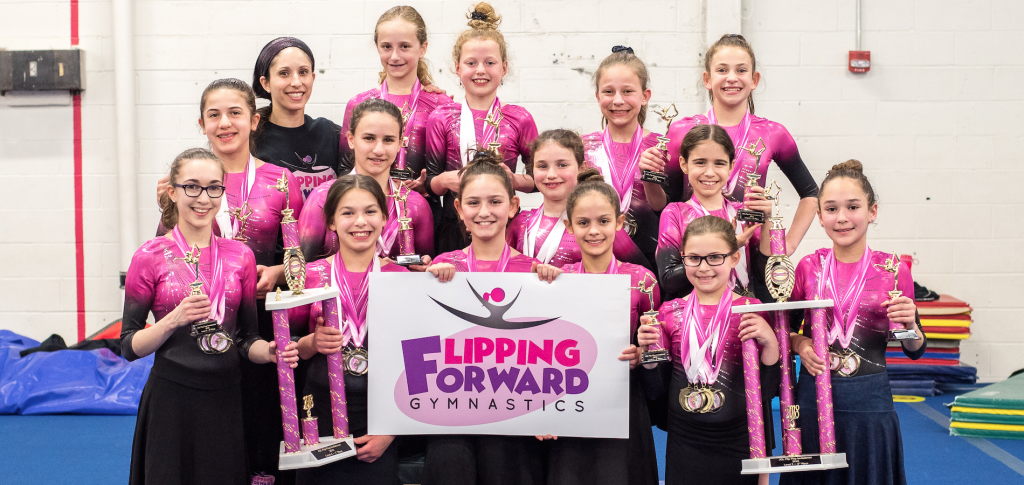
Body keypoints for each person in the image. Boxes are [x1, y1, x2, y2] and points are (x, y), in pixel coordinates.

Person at [122, 148, 298, 485]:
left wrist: (270, 352)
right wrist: (173, 320)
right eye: (192, 186)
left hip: (225, 398)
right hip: (172, 400)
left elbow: (246, 339)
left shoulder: (240, 257)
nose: (203, 198)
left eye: (213, 188)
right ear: (172, 192)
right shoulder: (149, 256)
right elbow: (129, 346)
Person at [184, 78, 307, 484]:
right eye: (214, 115)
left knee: (263, 415)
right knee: (216, 423)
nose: (225, 123)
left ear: (254, 120)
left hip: (265, 318)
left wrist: (278, 272)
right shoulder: (187, 184)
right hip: (208, 318)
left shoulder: (282, 180)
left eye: (235, 113)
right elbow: (170, 253)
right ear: (202, 124)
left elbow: (302, 253)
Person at [780, 160, 926, 485]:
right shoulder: (808, 267)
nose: (842, 217)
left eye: (853, 207)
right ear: (820, 216)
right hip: (814, 397)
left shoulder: (893, 270)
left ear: (872, 211)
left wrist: (912, 326)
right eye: (832, 209)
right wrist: (800, 343)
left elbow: (913, 348)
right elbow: (784, 331)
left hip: (869, 402)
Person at [642, 34, 819, 301]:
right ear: (707, 79)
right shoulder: (682, 131)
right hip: (696, 267)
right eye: (722, 70)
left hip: (749, 258)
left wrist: (786, 244)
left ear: (754, 79)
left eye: (741, 70)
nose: (732, 78)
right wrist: (649, 178)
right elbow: (664, 203)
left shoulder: (773, 133)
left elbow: (811, 193)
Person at [422, 151, 543, 485]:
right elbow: (421, 340)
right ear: (459, 209)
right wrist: (424, 289)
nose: (484, 212)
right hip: (451, 416)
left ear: (513, 206)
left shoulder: (534, 272)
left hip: (513, 418)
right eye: (473, 203)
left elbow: (547, 350)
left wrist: (554, 284)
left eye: (495, 202)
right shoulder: (442, 267)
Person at [532, 168, 660, 485]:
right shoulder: (557, 282)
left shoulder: (643, 281)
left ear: (619, 222)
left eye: (603, 221)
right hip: (568, 406)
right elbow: (540, 354)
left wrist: (642, 354)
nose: (594, 231)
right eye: (583, 222)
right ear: (569, 226)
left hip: (623, 406)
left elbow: (655, 352)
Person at [638, 215, 780, 485]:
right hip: (685, 442)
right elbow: (656, 389)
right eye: (694, 258)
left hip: (740, 440)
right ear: (683, 259)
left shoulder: (751, 310)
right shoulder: (669, 312)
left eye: (715, 257)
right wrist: (648, 357)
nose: (704, 267)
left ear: (734, 258)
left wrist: (771, 343)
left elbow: (767, 391)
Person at [289, 174, 409, 484]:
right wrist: (312, 342)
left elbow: (418, 360)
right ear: (331, 221)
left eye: (370, 211)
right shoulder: (309, 275)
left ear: (384, 218)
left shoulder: (403, 278)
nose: (360, 221)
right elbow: (287, 347)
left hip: (380, 417)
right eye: (348, 213)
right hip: (319, 410)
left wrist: (391, 430)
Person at [425, 1, 538, 255]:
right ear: (457, 67)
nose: (480, 70)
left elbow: (539, 179)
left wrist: (514, 180)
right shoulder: (441, 117)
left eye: (489, 63)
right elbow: (430, 182)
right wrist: (444, 180)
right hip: (453, 227)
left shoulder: (520, 118)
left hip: (504, 226)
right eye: (471, 63)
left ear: (504, 67)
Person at [299, 99, 434, 267]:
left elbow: (425, 268)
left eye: (388, 140)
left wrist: (420, 268)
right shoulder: (323, 198)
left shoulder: (416, 205)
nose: (378, 150)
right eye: (369, 138)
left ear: (400, 144)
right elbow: (300, 269)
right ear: (351, 139)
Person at [338, 6, 454, 195]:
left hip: (423, 208)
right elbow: (344, 170)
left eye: (405, 46)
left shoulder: (441, 105)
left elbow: (451, 175)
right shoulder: (359, 104)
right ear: (377, 47)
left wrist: (428, 186)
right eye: (387, 47)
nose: (394, 56)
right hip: (370, 206)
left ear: (422, 48)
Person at [656, 124, 771, 301]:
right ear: (684, 164)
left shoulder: (743, 212)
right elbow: (668, 280)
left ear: (731, 167)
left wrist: (767, 221)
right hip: (693, 312)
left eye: (719, 163)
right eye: (700, 162)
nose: (709, 172)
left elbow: (766, 275)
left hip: (740, 309)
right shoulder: (675, 213)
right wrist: (729, 247)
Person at [507, 129, 646, 267]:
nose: (551, 174)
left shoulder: (600, 226)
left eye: (562, 165)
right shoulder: (521, 224)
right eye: (542, 166)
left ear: (582, 168)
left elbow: (638, 274)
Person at [583, 46, 664, 271]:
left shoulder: (662, 147)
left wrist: (650, 180)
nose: (618, 100)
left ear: (645, 96)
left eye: (627, 91)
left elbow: (667, 207)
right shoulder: (583, 148)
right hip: (595, 261)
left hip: (651, 264)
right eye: (609, 92)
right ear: (598, 96)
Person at [252, 37, 343, 198]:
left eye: (303, 72)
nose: (296, 82)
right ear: (266, 83)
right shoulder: (251, 139)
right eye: (284, 73)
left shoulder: (330, 134)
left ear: (312, 78)